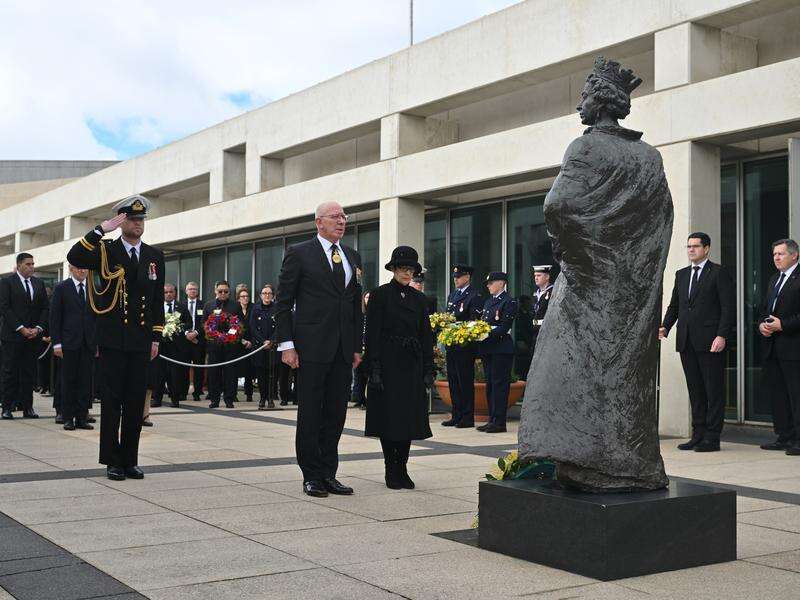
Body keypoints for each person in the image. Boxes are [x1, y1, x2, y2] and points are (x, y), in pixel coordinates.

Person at [66, 194, 165, 481]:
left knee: (135, 402)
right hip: (112, 338)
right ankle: (112, 460)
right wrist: (100, 230)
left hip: (140, 340)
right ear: (121, 222)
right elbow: (75, 256)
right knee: (112, 401)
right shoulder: (105, 250)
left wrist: (156, 338)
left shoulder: (153, 256)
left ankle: (129, 459)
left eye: (141, 219)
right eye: (132, 219)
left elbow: (157, 299)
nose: (138, 224)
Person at [274, 201, 363, 498]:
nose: (341, 221)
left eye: (344, 217)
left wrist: (356, 346)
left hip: (341, 350)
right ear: (319, 222)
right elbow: (283, 303)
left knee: (336, 413)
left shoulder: (351, 255)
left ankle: (329, 473)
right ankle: (311, 475)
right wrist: (287, 345)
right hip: (310, 348)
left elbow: (354, 306)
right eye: (335, 217)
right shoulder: (299, 253)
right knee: (311, 413)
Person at [365, 246, 433, 489]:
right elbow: (371, 335)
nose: (407, 273)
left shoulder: (419, 299)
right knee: (389, 418)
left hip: (411, 363)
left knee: (408, 419)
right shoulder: (380, 295)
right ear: (393, 269)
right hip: (388, 363)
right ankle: (390, 469)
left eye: (411, 269)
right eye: (403, 269)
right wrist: (373, 368)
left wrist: (428, 368)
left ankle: (402, 468)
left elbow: (426, 334)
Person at [660, 233, 734, 452]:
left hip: (711, 341)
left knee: (713, 391)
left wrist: (722, 335)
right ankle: (698, 434)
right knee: (695, 391)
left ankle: (712, 437)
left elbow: (728, 308)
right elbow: (675, 305)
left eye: (695, 246)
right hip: (687, 341)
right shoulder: (682, 274)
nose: (691, 250)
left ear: (707, 248)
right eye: (688, 246)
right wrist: (665, 326)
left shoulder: (719, 273)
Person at [758, 239, 800, 456]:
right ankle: (784, 436)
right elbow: (765, 308)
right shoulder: (774, 279)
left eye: (781, 254)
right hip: (772, 347)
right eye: (774, 254)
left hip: (793, 348)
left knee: (796, 395)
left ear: (795, 256)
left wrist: (783, 324)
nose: (776, 258)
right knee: (778, 395)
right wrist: (762, 325)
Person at [0, 253, 49, 420]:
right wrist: (20, 328)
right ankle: (7, 407)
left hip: (32, 337)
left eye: (33, 264)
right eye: (28, 264)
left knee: (29, 373)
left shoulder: (38, 283)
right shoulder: (7, 283)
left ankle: (28, 407)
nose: (32, 267)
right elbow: (5, 308)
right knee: (10, 372)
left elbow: (45, 308)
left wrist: (38, 328)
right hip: (13, 336)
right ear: (19, 265)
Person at [49, 264, 96, 430]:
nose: (82, 270)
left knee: (85, 381)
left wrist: (96, 342)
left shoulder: (93, 289)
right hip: (68, 343)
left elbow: (97, 318)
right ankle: (68, 417)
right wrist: (57, 343)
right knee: (69, 381)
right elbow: (55, 318)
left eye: (85, 268)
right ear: (70, 268)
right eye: (78, 268)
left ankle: (82, 417)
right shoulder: (62, 288)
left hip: (88, 343)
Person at [442, 264, 483, 428]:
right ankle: (456, 414)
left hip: (465, 345)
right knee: (453, 380)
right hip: (452, 343)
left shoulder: (474, 295)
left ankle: (467, 416)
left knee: (464, 381)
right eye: (454, 277)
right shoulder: (453, 295)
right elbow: (448, 315)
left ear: (467, 277)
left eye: (458, 277)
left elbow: (473, 320)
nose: (456, 280)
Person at [478, 272, 517, 433]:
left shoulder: (509, 301)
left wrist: (486, 332)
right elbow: (484, 322)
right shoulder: (488, 302)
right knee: (490, 385)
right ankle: (492, 418)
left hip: (501, 348)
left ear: (501, 283)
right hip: (489, 348)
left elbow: (504, 326)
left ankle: (500, 422)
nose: (488, 286)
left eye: (491, 283)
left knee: (499, 385)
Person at [203, 281, 239, 408]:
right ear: (215, 291)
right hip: (214, 346)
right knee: (214, 374)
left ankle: (229, 399)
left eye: (226, 291)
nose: (223, 293)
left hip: (230, 346)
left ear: (229, 292)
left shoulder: (235, 306)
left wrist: (230, 335)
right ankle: (214, 399)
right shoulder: (208, 306)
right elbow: (205, 325)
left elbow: (240, 324)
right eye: (220, 291)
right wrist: (214, 336)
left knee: (230, 374)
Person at [152, 284, 183, 408]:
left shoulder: (181, 307)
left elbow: (188, 323)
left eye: (171, 292)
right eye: (166, 292)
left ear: (175, 293)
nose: (168, 294)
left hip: (175, 347)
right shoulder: (157, 306)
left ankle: (175, 399)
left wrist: (177, 328)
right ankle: (157, 399)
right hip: (159, 346)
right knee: (158, 373)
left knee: (174, 375)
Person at [250, 284, 277, 410]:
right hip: (260, 347)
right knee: (261, 375)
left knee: (272, 375)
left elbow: (280, 326)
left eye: (269, 293)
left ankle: (271, 399)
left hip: (273, 348)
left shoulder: (277, 308)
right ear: (260, 295)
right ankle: (262, 398)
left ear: (273, 296)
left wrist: (271, 341)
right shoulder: (255, 309)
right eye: (264, 293)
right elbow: (253, 327)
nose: (267, 295)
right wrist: (263, 341)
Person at [183, 281, 206, 401]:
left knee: (198, 368)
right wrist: (187, 334)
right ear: (186, 291)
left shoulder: (204, 305)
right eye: (190, 289)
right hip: (184, 342)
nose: (192, 291)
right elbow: (178, 321)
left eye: (195, 289)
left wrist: (195, 333)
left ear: (198, 292)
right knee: (183, 367)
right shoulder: (181, 305)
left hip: (198, 341)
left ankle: (197, 392)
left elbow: (205, 322)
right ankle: (182, 392)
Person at [235, 287, 255, 402]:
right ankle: (234, 393)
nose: (245, 298)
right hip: (238, 343)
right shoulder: (235, 309)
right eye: (243, 296)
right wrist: (242, 340)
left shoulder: (253, 308)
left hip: (251, 343)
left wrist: (251, 341)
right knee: (236, 369)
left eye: (247, 296)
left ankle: (249, 393)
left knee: (249, 370)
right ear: (238, 298)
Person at [350, 292, 370, 410]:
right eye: (367, 297)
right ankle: (360, 398)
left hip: (369, 349)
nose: (369, 299)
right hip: (360, 348)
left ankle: (367, 400)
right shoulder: (361, 315)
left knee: (368, 375)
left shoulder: (374, 314)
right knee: (359, 375)